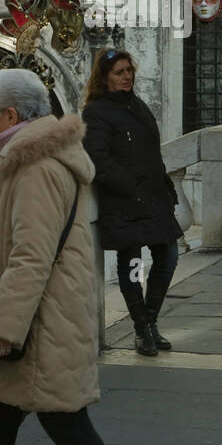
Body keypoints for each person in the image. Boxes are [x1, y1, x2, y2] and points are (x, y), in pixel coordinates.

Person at [0, 69, 103, 445]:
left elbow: (31, 255)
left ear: (10, 116)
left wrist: (3, 327)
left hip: (37, 327)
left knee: (66, 426)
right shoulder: (27, 159)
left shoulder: (36, 167)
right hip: (36, 321)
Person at [81, 48, 182, 356]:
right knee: (132, 266)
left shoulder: (136, 105)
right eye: (119, 73)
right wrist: (128, 184)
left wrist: (164, 188)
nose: (126, 77)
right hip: (124, 201)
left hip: (153, 199)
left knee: (169, 258)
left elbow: (152, 152)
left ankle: (148, 323)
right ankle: (142, 330)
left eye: (128, 71)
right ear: (105, 78)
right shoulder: (95, 112)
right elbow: (97, 158)